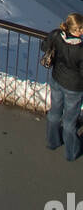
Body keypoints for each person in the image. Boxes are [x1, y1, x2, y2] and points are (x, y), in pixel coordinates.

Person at [42, 12, 83, 161]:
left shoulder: (56, 35)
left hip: (57, 79)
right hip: (74, 88)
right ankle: (71, 152)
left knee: (54, 112)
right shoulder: (81, 49)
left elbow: (44, 46)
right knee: (70, 121)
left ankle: (52, 142)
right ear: (77, 30)